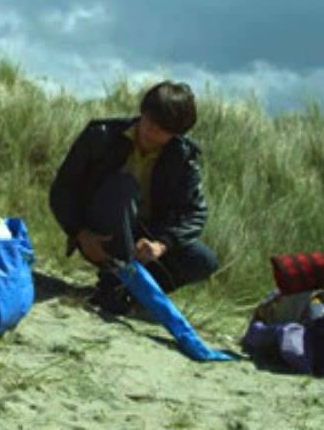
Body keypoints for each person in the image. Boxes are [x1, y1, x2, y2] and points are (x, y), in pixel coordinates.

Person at [49, 81, 218, 314]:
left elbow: (195, 213)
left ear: (175, 134)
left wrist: (162, 244)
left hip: (146, 238)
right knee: (123, 186)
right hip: (100, 228)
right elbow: (63, 189)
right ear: (142, 112)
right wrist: (79, 232)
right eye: (150, 121)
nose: (151, 131)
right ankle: (112, 282)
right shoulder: (100, 135)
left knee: (203, 260)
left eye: (162, 129)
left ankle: (131, 294)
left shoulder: (183, 159)